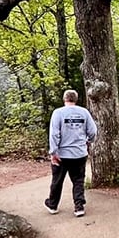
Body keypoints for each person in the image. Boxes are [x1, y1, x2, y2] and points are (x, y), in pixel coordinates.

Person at [44, 89, 98, 217]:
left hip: (62, 154)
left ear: (64, 99)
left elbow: (54, 134)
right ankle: (79, 207)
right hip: (79, 153)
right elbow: (93, 131)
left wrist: (53, 152)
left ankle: (53, 205)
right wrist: (89, 141)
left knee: (57, 180)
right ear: (76, 99)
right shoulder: (84, 112)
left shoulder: (58, 113)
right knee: (78, 181)